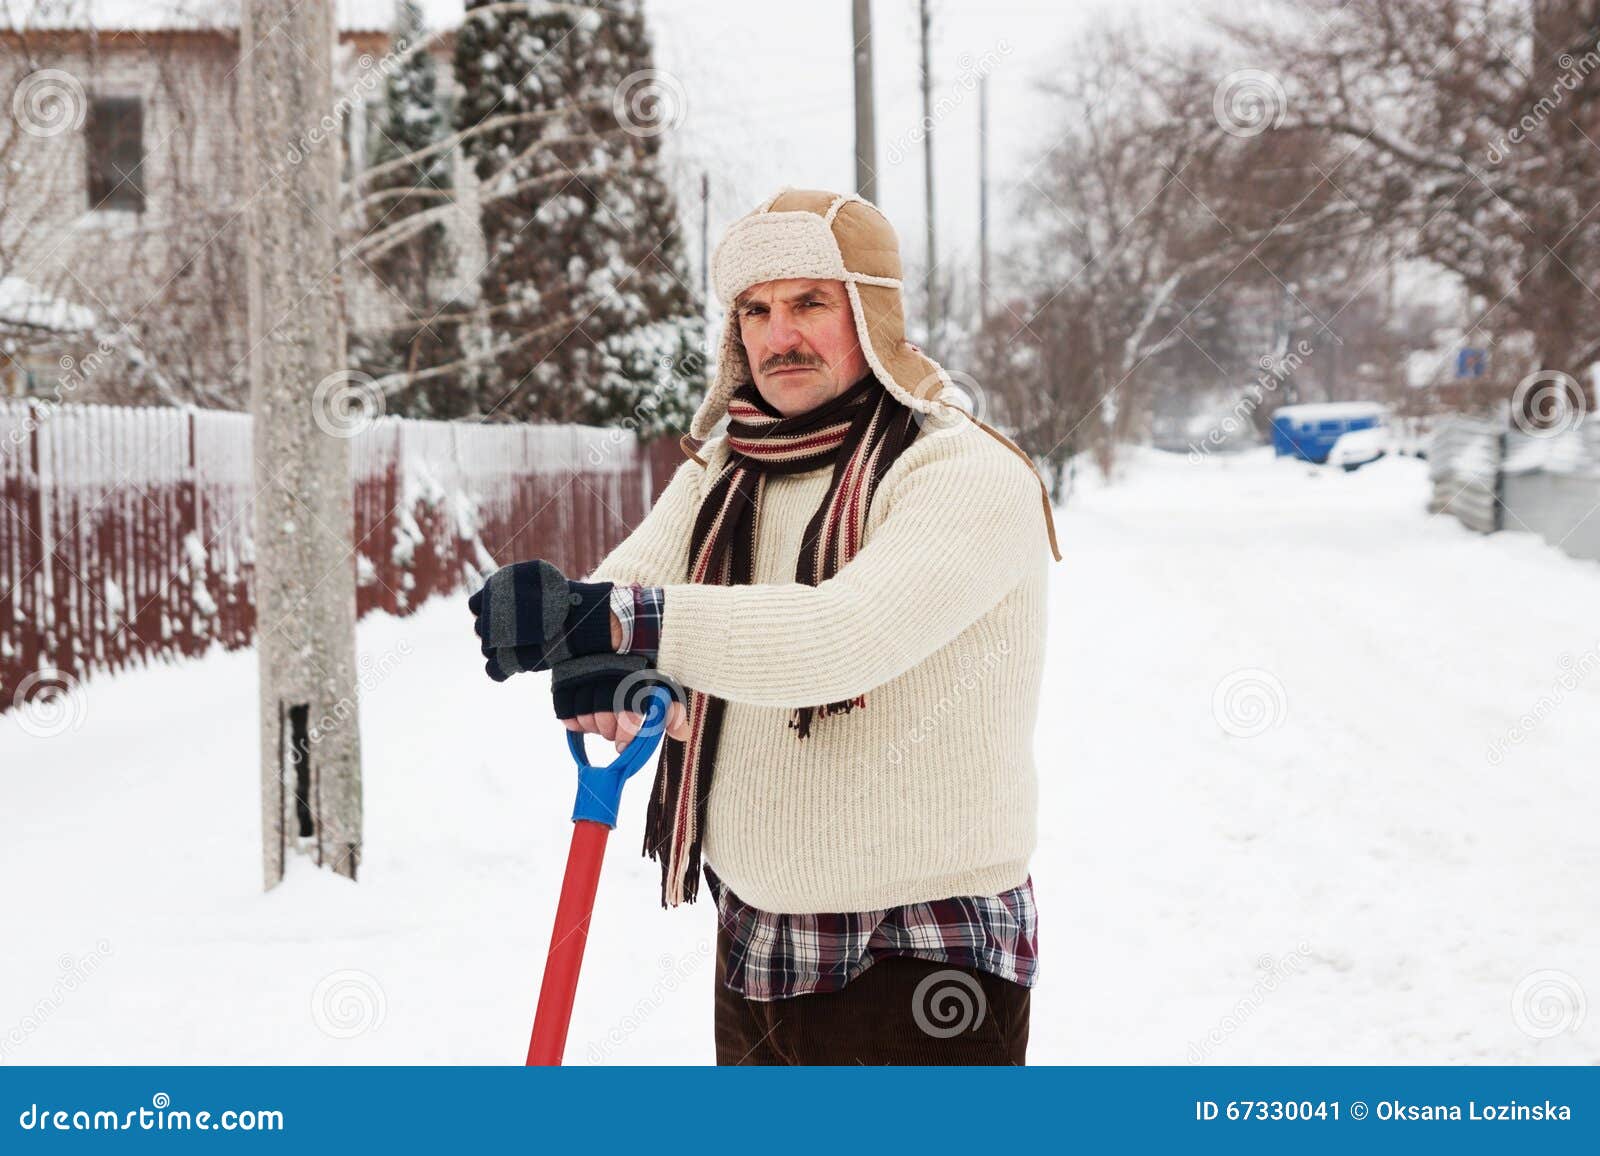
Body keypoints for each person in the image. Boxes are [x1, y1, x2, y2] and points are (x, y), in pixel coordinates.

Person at [468, 187, 1061, 1065]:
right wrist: (577, 637)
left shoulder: (961, 470)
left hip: (922, 954)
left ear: (872, 313)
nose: (779, 335)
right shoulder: (732, 468)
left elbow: (842, 636)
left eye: (809, 303)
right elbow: (634, 582)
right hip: (760, 941)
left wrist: (617, 623)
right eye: (755, 310)